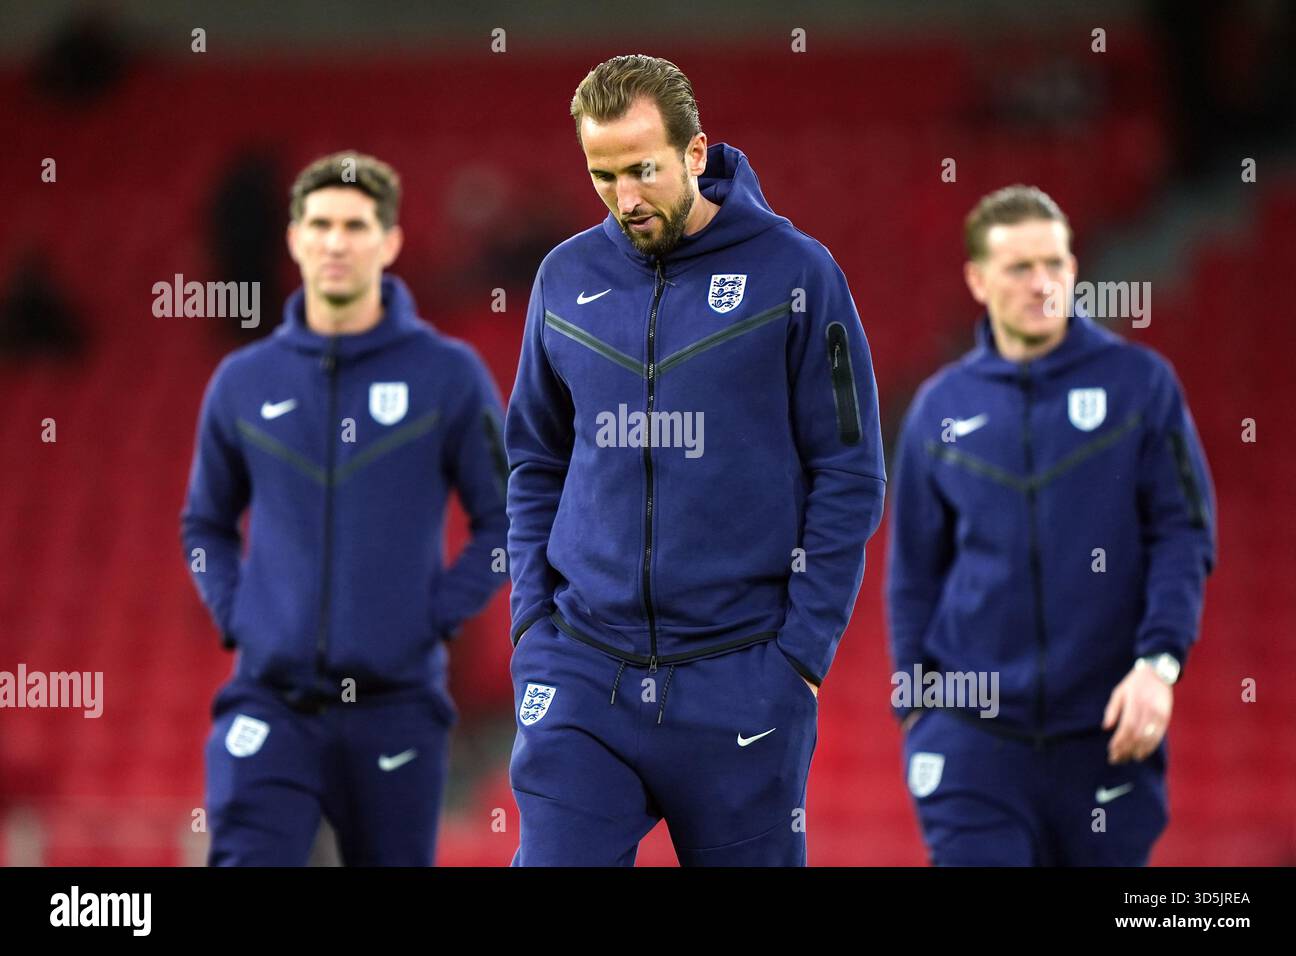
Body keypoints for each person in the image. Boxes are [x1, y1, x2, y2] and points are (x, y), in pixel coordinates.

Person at [504, 55, 885, 866]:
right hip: (580, 673)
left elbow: (851, 473)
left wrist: (800, 662)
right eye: (602, 175)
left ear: (696, 152)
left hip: (741, 684)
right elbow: (535, 460)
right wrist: (534, 626)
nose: (625, 199)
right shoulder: (563, 278)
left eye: (642, 169)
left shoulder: (799, 275)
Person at [181, 152, 509, 865]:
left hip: (396, 705)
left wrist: (438, 611)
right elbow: (204, 523)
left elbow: (506, 520)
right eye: (320, 225)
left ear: (389, 243)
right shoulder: (243, 381)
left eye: (356, 225)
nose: (336, 243)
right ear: (295, 239)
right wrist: (237, 612)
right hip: (271, 700)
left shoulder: (446, 377)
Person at [886, 185, 1216, 866]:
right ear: (977, 280)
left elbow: (1182, 534)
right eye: (1020, 268)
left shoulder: (1140, 386)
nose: (1045, 284)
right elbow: (914, 569)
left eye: (1057, 263)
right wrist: (916, 704)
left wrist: (1159, 664)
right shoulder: (940, 406)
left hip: (1103, 734)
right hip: (972, 738)